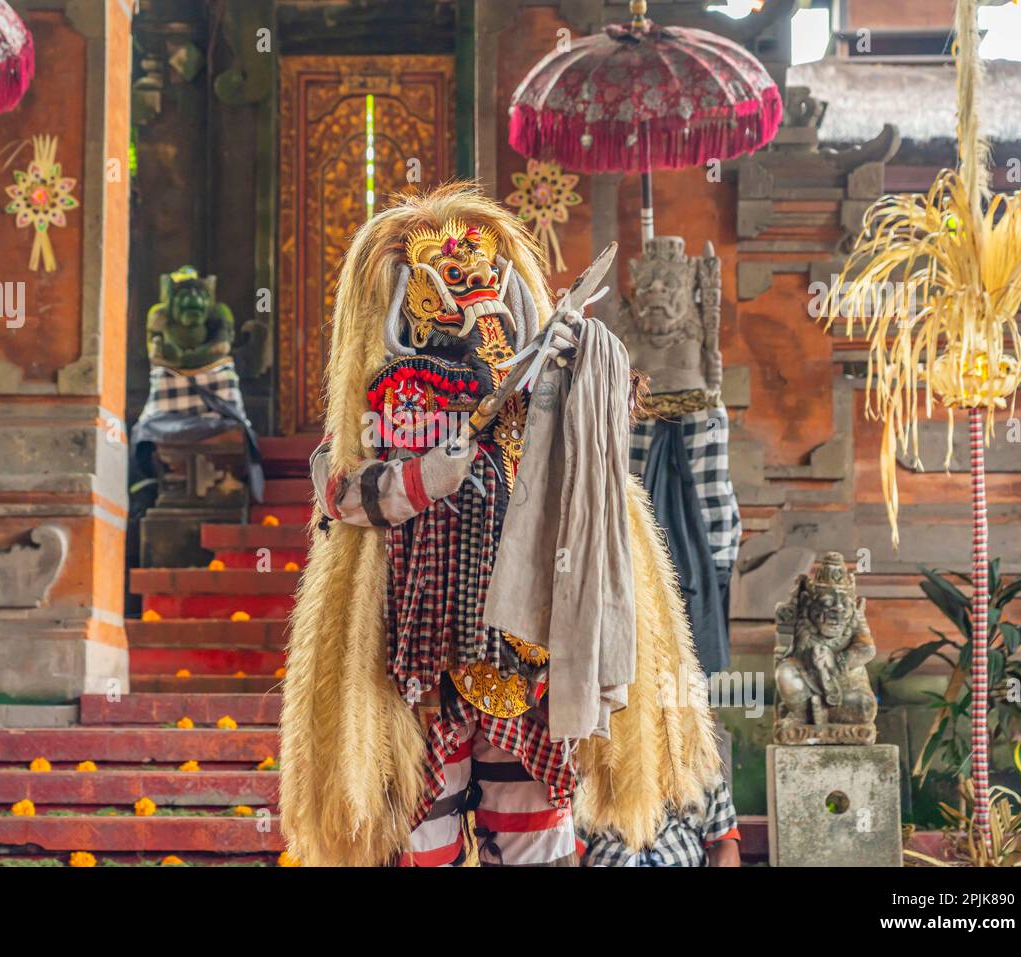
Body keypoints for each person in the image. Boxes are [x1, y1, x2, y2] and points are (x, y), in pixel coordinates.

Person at [278, 183, 720, 867]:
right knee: (426, 832)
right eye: (457, 277)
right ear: (416, 293)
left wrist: (590, 367)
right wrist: (422, 478)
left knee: (536, 832)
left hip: (526, 648)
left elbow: (593, 467)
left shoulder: (543, 384)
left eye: (487, 276)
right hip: (419, 657)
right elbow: (340, 495)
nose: (477, 291)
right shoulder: (394, 390)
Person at [582, 779, 741, 867]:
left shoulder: (703, 771)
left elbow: (723, 843)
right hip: (612, 858)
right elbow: (569, 848)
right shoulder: (589, 773)